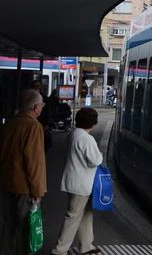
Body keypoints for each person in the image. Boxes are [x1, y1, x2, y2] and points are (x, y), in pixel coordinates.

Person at [0, 89, 47, 255]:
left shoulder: (11, 124)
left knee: (9, 225)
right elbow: (34, 162)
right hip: (25, 187)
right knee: (26, 228)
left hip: (8, 182)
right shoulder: (33, 126)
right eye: (41, 105)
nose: (42, 108)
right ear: (35, 107)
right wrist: (37, 190)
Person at [51, 107, 104, 255]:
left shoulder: (73, 134)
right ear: (93, 123)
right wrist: (100, 155)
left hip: (74, 181)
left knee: (86, 214)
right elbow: (95, 160)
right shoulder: (87, 138)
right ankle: (59, 251)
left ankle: (87, 245)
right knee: (73, 217)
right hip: (81, 184)